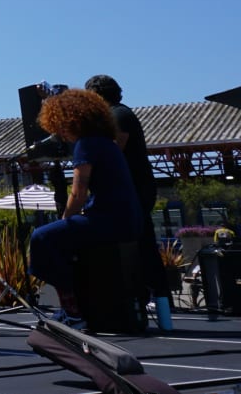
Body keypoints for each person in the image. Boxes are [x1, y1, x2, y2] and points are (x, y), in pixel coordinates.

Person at [28, 88, 141, 330]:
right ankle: (78, 306)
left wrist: (65, 220)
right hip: (126, 218)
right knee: (61, 242)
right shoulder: (105, 143)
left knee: (41, 238)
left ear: (68, 120)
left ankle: (73, 312)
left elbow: (78, 193)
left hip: (109, 220)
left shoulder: (86, 144)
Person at [85, 74, 169, 306]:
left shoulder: (119, 115)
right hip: (132, 189)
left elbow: (113, 149)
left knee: (143, 245)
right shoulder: (116, 115)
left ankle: (158, 298)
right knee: (137, 245)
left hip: (135, 190)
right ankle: (146, 299)